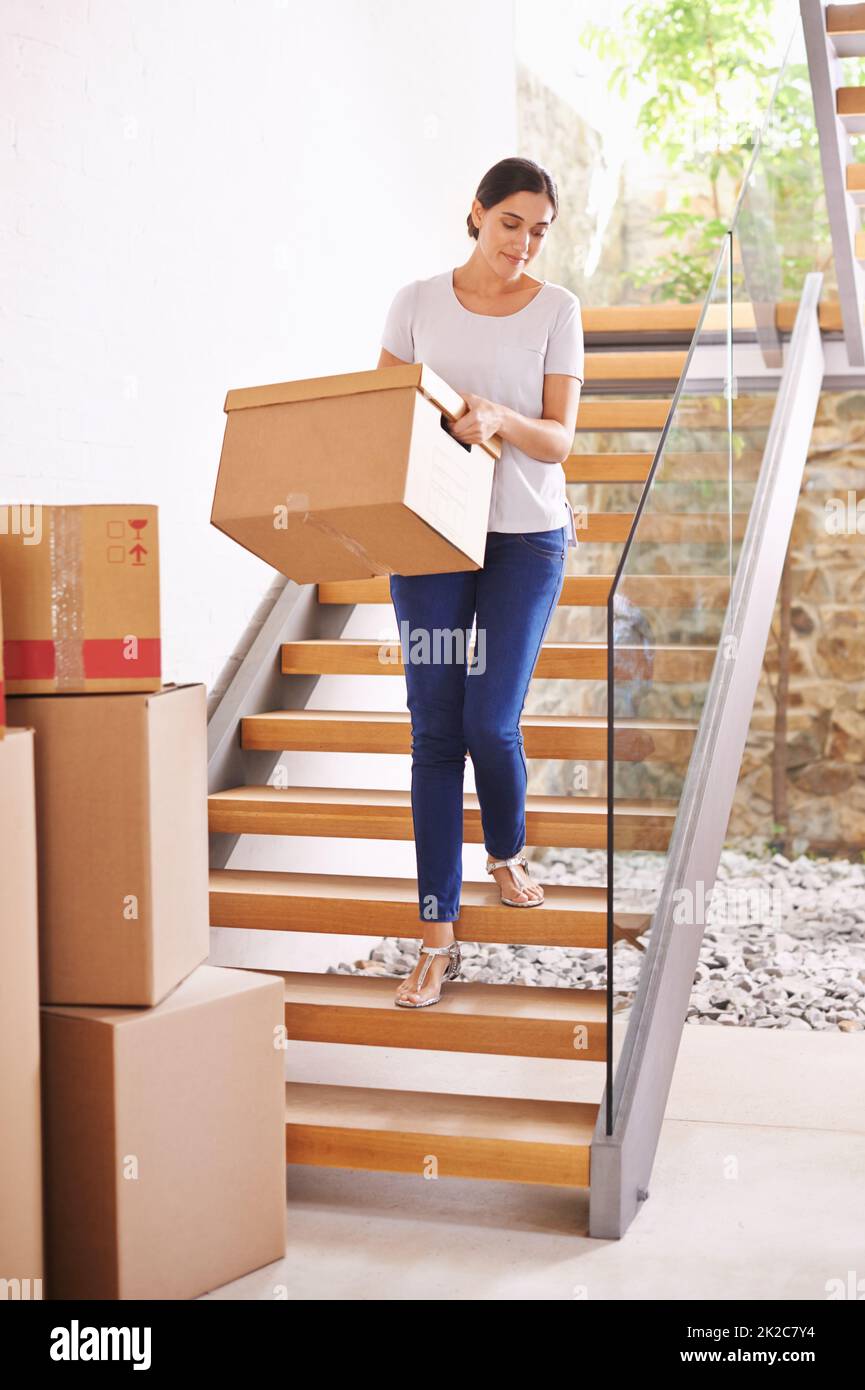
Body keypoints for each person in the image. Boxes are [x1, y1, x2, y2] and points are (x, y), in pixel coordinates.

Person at [377, 156, 584, 1008]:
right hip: (430, 535)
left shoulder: (557, 310)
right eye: (511, 224)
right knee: (432, 730)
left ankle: (504, 846)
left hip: (525, 538)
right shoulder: (416, 301)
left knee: (488, 721)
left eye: (539, 231)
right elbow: (385, 411)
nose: (524, 245)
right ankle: (436, 936)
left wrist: (500, 418)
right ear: (476, 213)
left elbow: (560, 440)